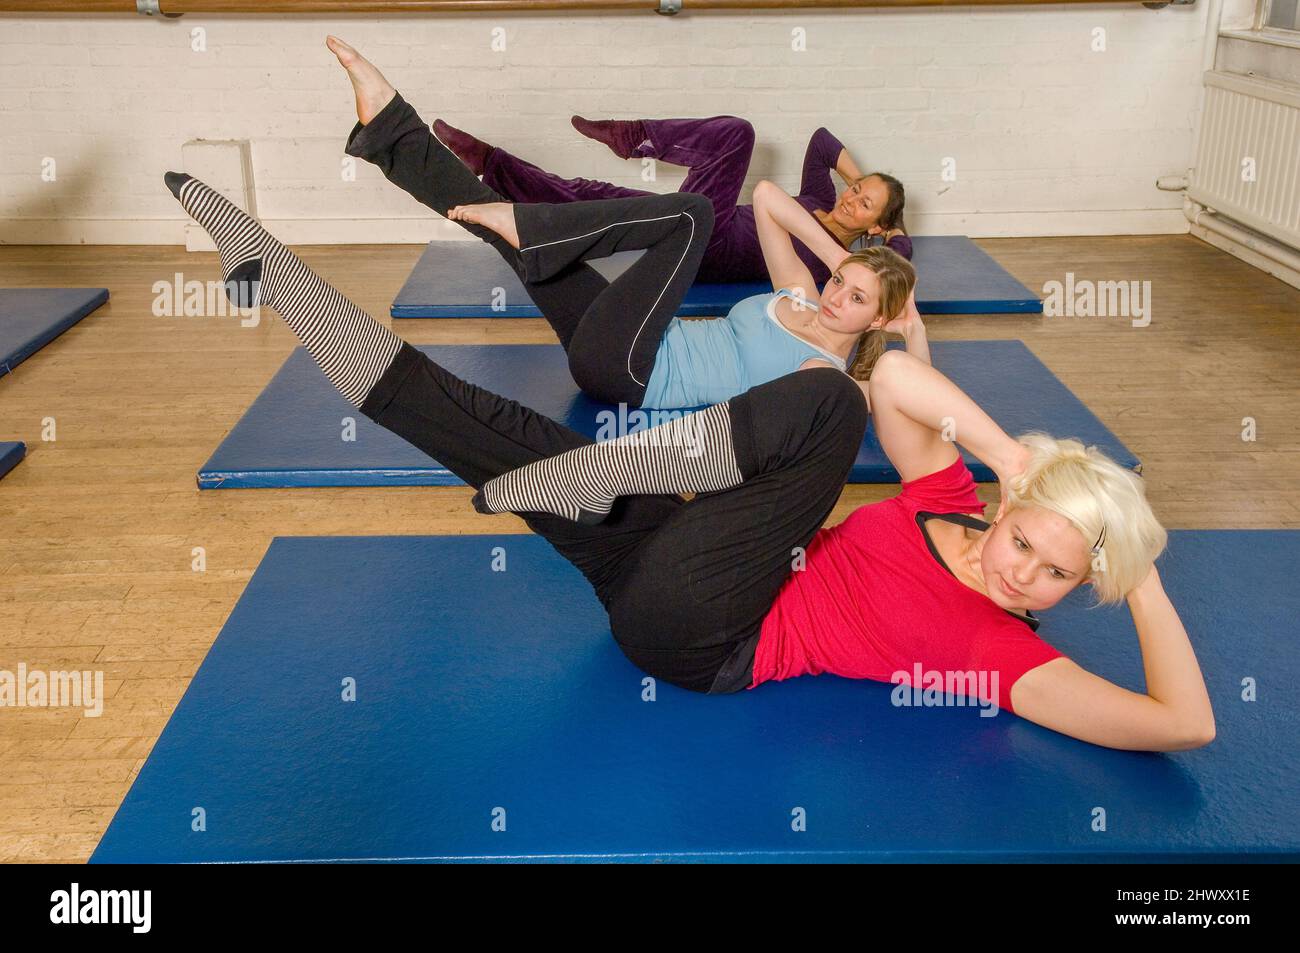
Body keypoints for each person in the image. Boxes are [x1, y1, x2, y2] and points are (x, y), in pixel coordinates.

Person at [165, 166, 1215, 753]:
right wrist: (1004, 456)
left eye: (1055, 573)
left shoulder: (1006, 656)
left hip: (710, 632)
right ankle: (286, 284)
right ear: (1007, 506)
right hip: (672, 552)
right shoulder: (951, 495)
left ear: (1084, 587)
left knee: (817, 402)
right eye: (1024, 536)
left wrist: (1143, 561)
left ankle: (603, 471)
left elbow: (1183, 722)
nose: (1017, 569)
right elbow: (895, 381)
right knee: (484, 424)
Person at [328, 35, 924, 411]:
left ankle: (534, 225)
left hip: (633, 371)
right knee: (527, 230)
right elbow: (767, 195)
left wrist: (914, 329)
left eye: (856, 298)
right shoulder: (803, 292)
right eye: (844, 283)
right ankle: (394, 134)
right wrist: (843, 260)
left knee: (692, 215)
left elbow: (916, 404)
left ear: (880, 318)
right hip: (622, 339)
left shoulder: (830, 374)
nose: (838, 295)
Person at [433, 111, 911, 286]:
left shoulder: (839, 263)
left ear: (873, 227)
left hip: (712, 248)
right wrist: (869, 181)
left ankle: (635, 136)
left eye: (865, 204)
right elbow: (823, 141)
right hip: (700, 222)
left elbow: (902, 261)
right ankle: (492, 165)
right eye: (856, 188)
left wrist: (894, 226)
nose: (851, 198)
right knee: (593, 196)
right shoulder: (818, 199)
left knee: (738, 135)